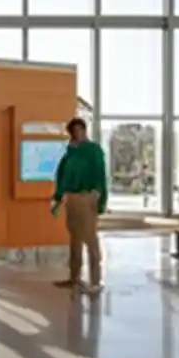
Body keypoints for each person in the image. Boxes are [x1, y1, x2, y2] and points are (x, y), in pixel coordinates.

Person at [50, 117, 108, 295]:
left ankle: (96, 281)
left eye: (79, 130)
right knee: (74, 239)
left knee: (90, 239)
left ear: (84, 131)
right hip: (72, 199)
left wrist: (98, 196)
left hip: (86, 197)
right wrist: (59, 198)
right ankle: (74, 277)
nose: (77, 134)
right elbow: (62, 175)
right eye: (74, 131)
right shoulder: (70, 153)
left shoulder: (93, 150)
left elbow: (100, 173)